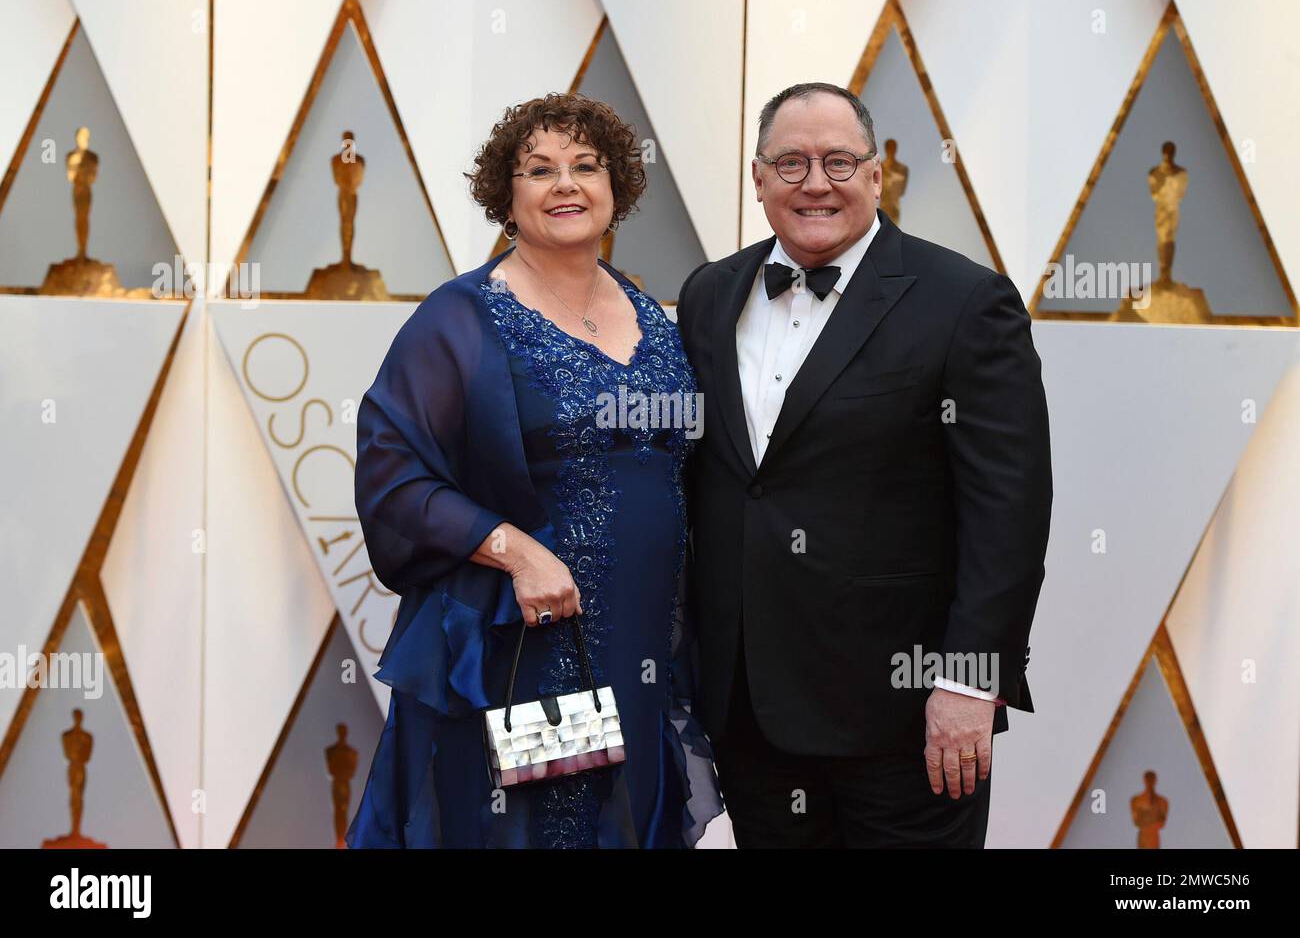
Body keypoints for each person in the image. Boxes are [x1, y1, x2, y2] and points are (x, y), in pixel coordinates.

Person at [676, 82, 1053, 847]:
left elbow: (1008, 512)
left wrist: (970, 681)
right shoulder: (710, 295)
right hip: (749, 711)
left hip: (905, 718)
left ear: (876, 175)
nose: (815, 182)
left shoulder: (966, 301)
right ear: (757, 179)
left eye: (838, 161)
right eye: (791, 163)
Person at [345, 93, 721, 848]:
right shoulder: (460, 317)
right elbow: (391, 477)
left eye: (586, 166)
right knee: (530, 827)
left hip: (646, 638)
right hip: (529, 640)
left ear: (616, 186)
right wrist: (514, 550)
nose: (566, 185)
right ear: (505, 196)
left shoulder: (653, 315)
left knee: (625, 817)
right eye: (539, 170)